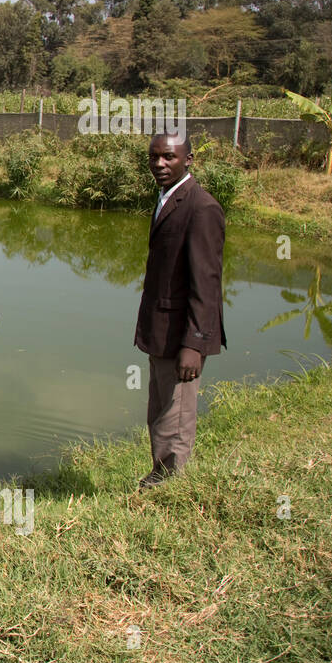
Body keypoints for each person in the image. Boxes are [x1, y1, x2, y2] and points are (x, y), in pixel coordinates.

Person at [133, 133, 226, 488]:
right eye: (154, 157)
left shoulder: (201, 208)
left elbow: (207, 282)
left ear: (188, 159)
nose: (159, 164)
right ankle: (160, 474)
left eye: (169, 157)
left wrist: (195, 343)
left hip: (182, 334)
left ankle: (169, 485)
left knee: (178, 410)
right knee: (160, 409)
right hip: (161, 329)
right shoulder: (167, 198)